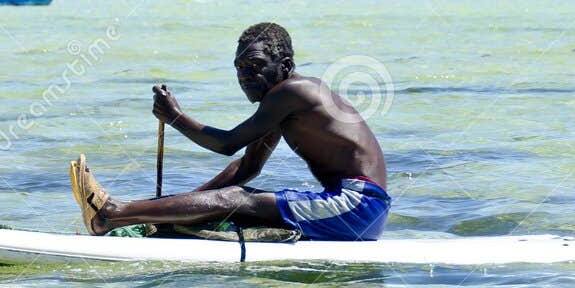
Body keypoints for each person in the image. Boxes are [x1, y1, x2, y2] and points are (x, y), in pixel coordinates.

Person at [68, 22, 391, 241]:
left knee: (236, 200)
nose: (245, 77)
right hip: (354, 211)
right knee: (226, 207)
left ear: (286, 67)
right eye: (239, 68)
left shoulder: (295, 92)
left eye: (255, 66)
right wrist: (182, 205)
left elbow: (227, 144)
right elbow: (245, 167)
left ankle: (110, 214)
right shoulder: (280, 105)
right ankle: (146, 221)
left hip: (358, 207)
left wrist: (176, 117)